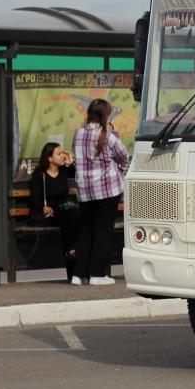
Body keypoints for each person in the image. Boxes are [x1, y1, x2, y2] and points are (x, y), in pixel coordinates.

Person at [72, 99, 130, 286]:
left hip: (85, 190)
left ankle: (78, 275)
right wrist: (117, 136)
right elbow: (124, 158)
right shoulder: (109, 135)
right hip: (107, 189)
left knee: (85, 231)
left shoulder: (78, 132)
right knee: (102, 231)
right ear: (105, 114)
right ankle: (97, 274)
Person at [30, 141, 78, 281]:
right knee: (63, 217)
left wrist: (71, 163)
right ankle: (70, 251)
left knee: (76, 214)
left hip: (65, 207)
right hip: (51, 212)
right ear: (49, 158)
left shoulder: (64, 171)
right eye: (59, 153)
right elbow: (34, 199)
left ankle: (71, 250)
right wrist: (42, 207)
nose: (62, 156)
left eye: (63, 152)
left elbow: (78, 174)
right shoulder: (40, 176)